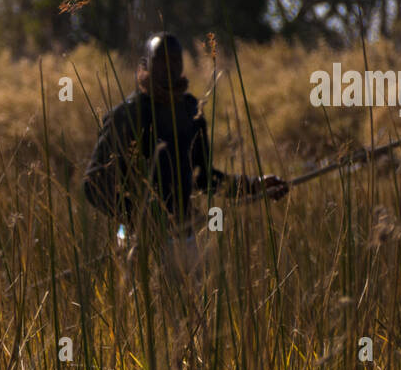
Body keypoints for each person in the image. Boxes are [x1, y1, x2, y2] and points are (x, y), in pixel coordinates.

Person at [83, 32, 287, 280]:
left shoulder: (191, 112)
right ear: (146, 64)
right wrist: (139, 218)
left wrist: (254, 185)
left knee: (192, 314)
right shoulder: (126, 115)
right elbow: (93, 183)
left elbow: (205, 178)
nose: (169, 67)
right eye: (161, 60)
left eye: (175, 60)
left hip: (187, 239)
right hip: (139, 244)